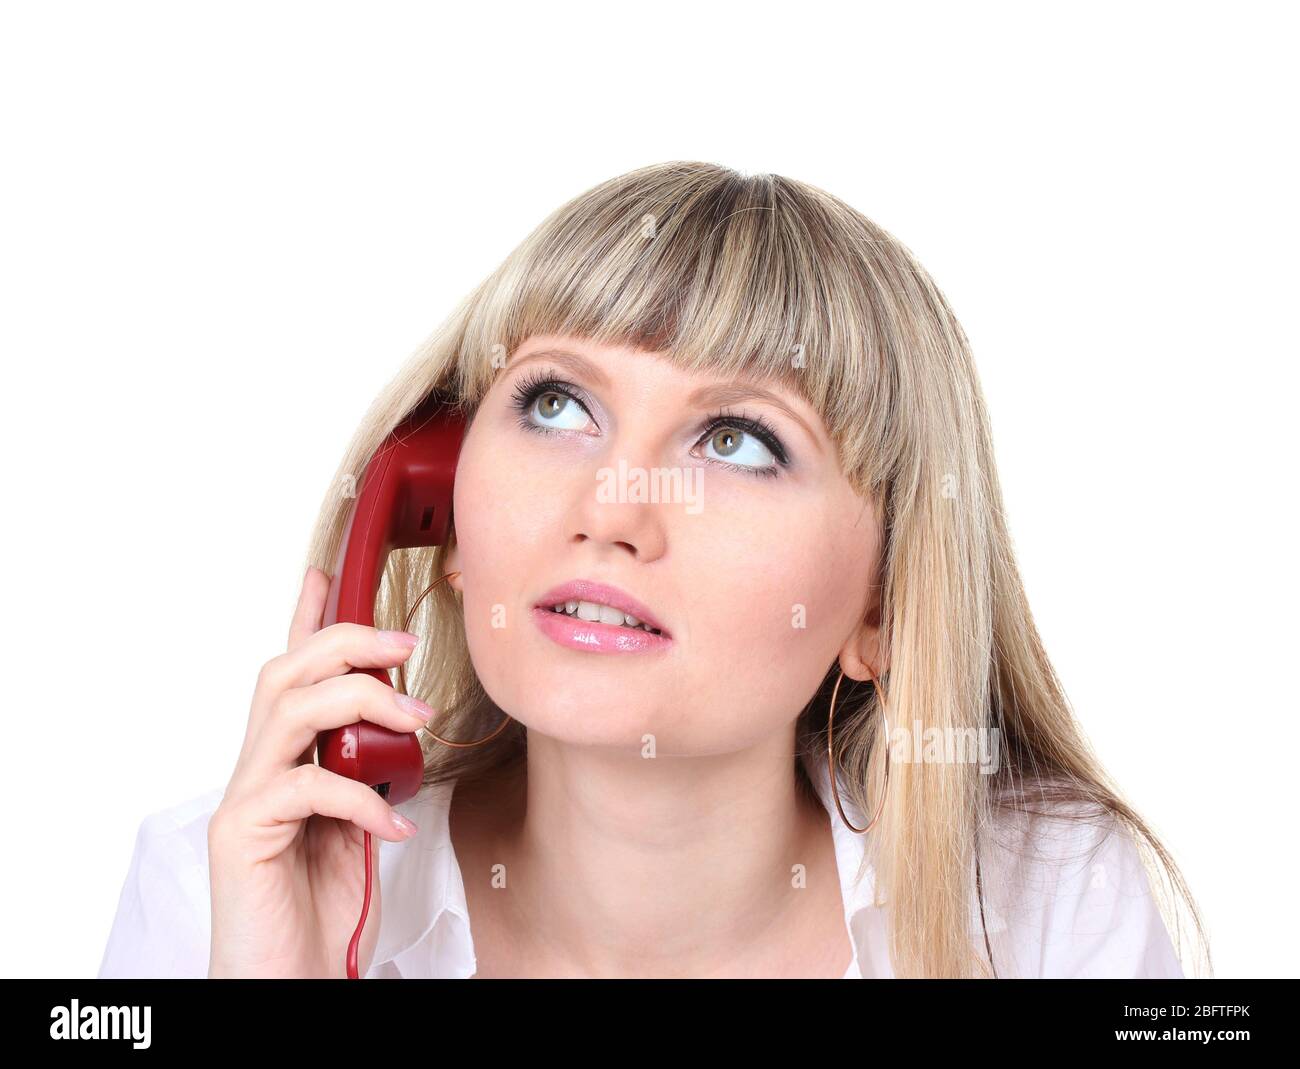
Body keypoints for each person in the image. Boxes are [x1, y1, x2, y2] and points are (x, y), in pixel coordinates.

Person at [99, 161, 1208, 978]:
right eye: (556, 403)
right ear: (438, 514)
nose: (612, 511)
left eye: (735, 440)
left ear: (882, 603)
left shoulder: (1051, 906)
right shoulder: (217, 888)